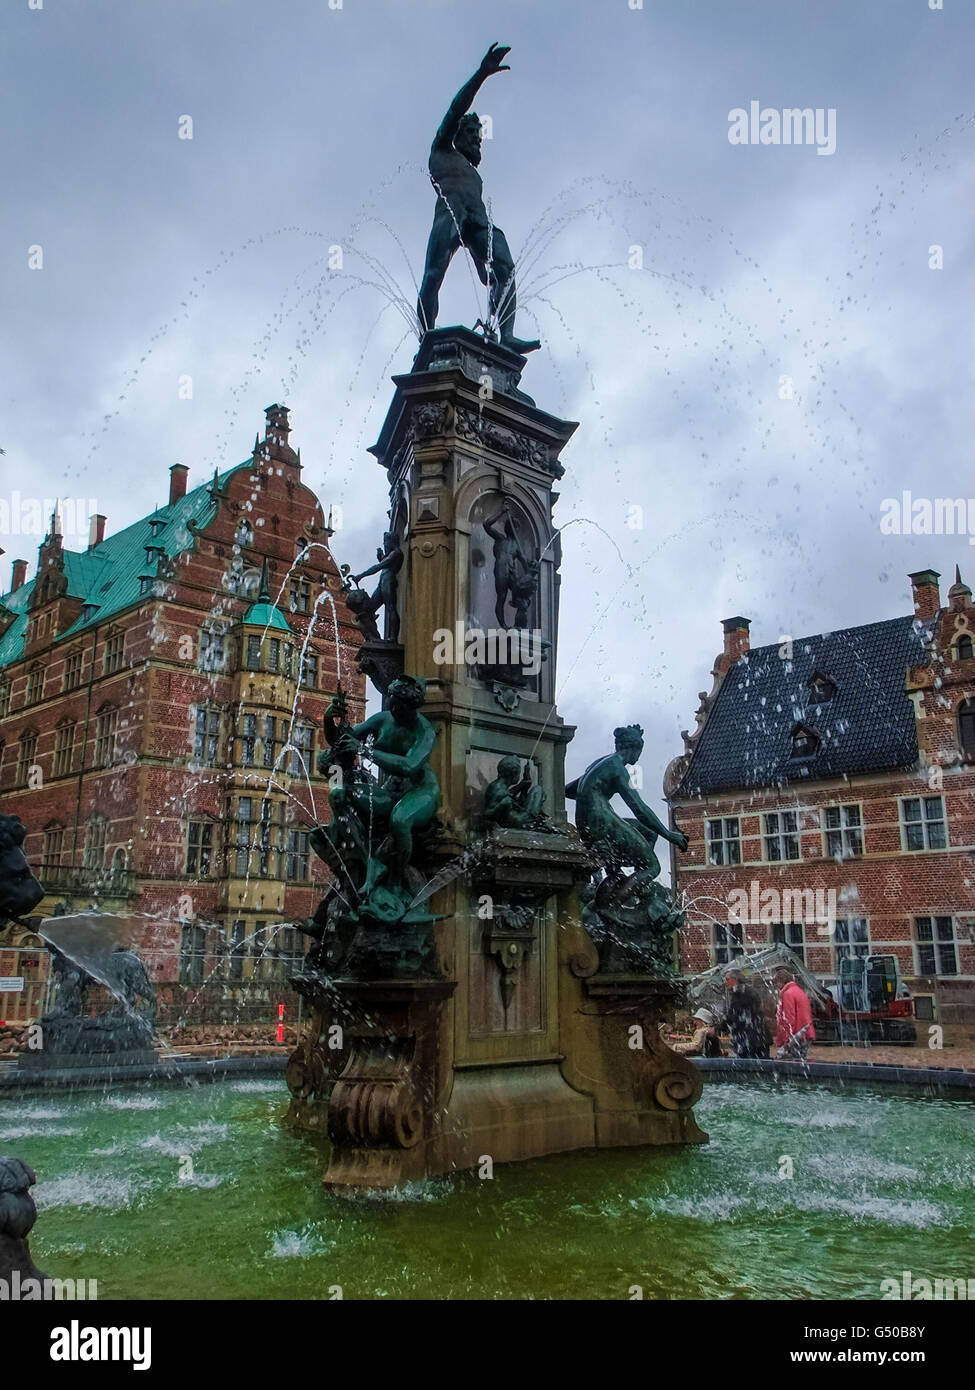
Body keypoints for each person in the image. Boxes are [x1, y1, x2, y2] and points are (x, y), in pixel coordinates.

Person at [417, 43, 541, 354]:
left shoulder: (476, 176)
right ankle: (426, 338)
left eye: (480, 136)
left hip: (477, 221)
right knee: (433, 277)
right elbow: (455, 109)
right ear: (457, 134)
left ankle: (507, 334)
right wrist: (482, 74)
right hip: (450, 215)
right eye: (473, 134)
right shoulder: (442, 149)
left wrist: (481, 266)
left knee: (505, 268)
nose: (477, 140)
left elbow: (480, 253)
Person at [720, 969, 771, 1058]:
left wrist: (718, 1028)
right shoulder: (747, 991)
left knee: (747, 1067)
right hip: (757, 1039)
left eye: (727, 979)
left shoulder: (740, 993)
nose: (725, 982)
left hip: (752, 1041)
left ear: (735, 979)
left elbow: (734, 1016)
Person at [774, 968, 816, 1061]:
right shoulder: (799, 991)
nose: (777, 986)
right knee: (802, 1061)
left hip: (796, 1036)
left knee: (792, 1064)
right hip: (805, 1032)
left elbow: (789, 1019)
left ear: (781, 981)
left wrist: (786, 1040)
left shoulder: (787, 994)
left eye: (777, 983)